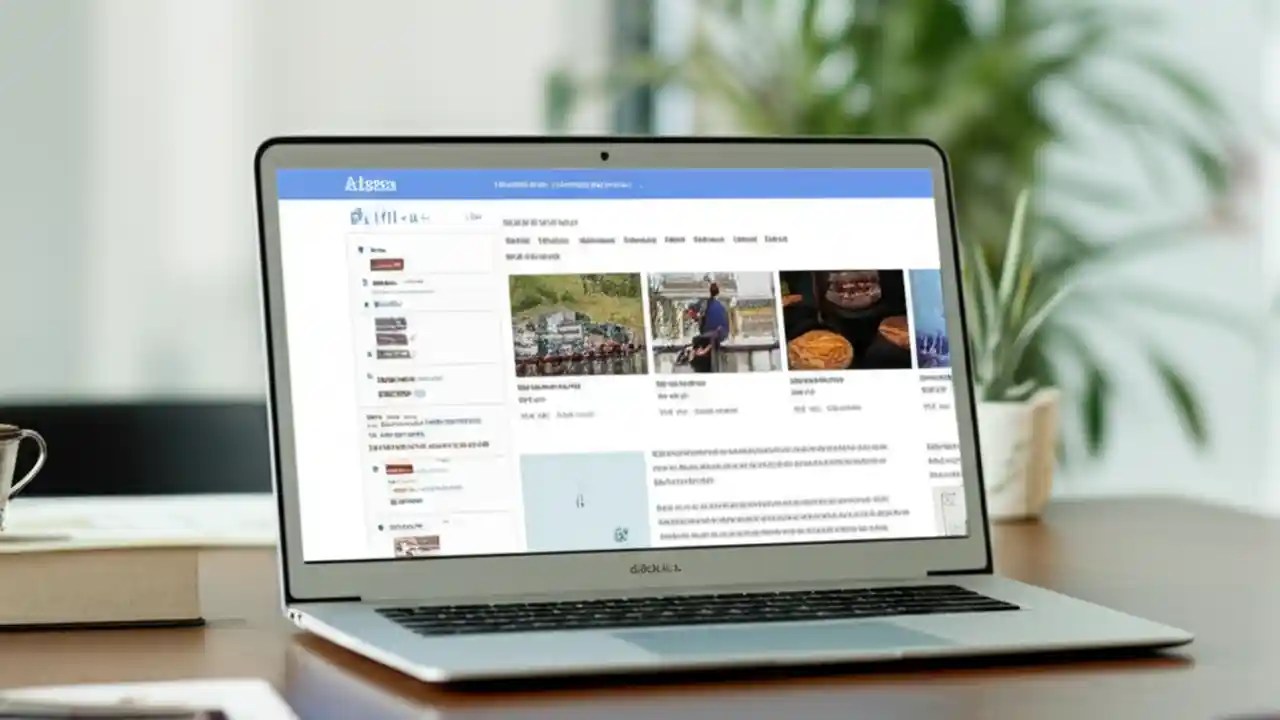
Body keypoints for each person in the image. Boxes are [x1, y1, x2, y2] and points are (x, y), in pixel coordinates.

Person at [693, 281, 729, 372]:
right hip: (720, 334)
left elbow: (701, 319)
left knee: (700, 341)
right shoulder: (722, 304)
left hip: (710, 334)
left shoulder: (706, 304)